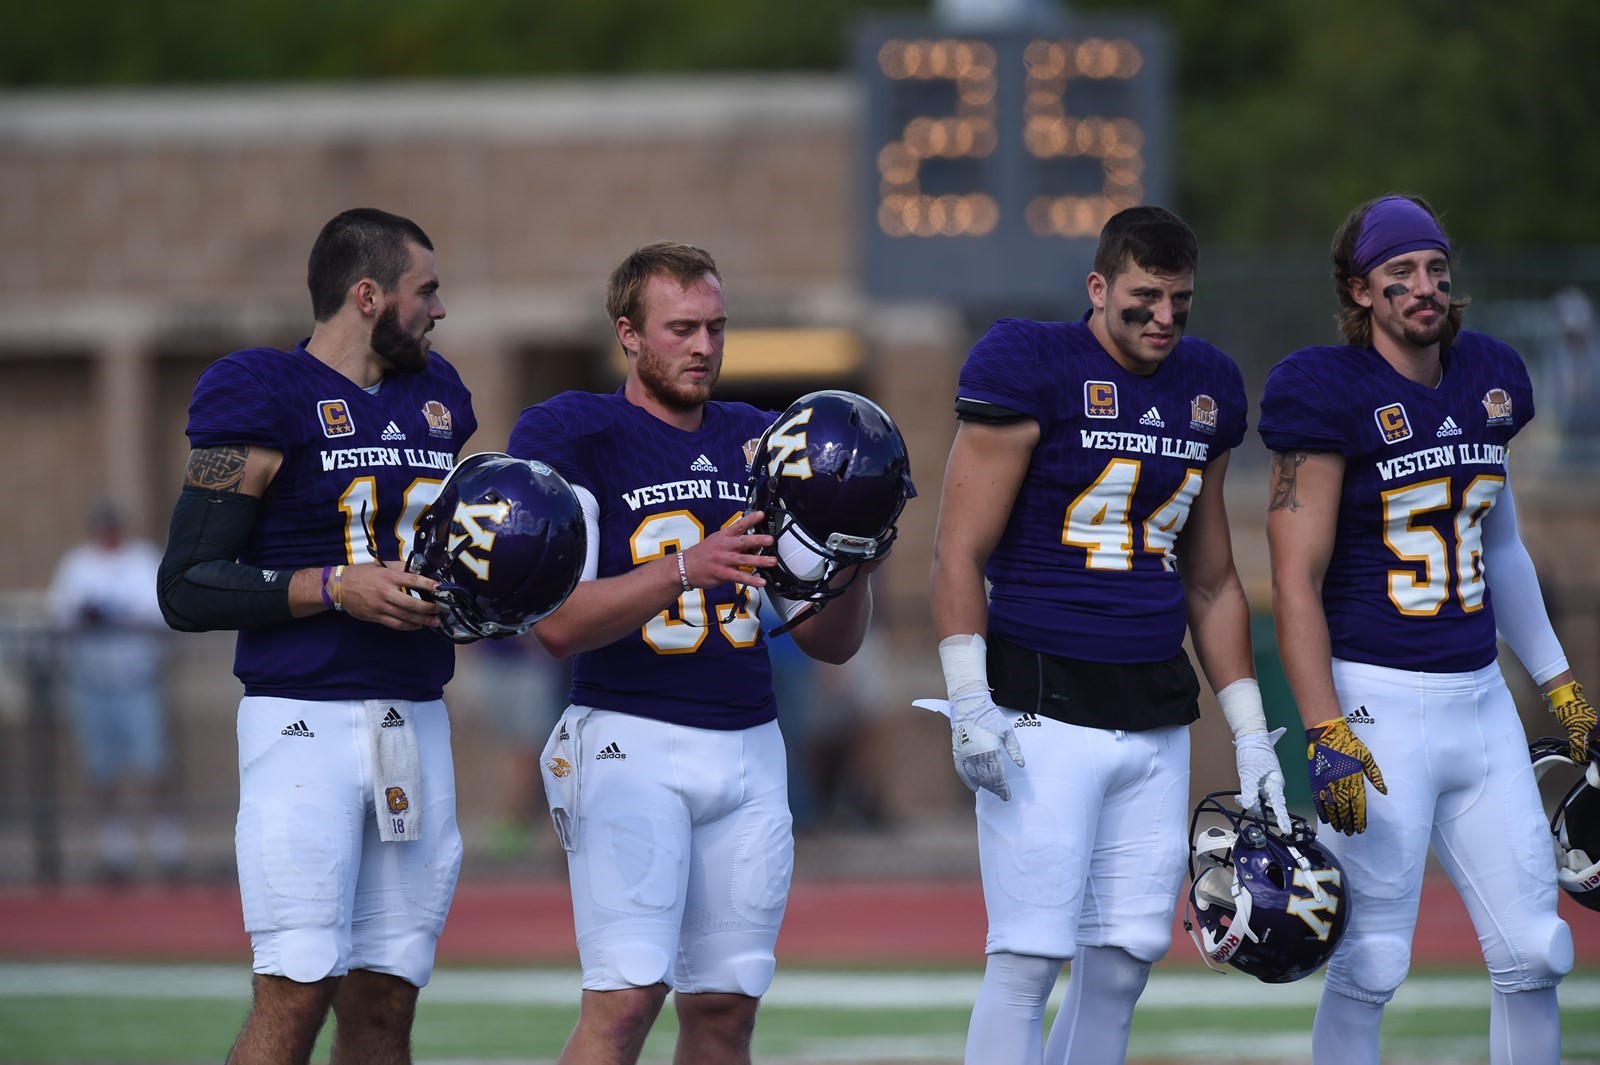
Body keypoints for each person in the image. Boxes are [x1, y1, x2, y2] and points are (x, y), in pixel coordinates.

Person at [508, 241, 895, 1065]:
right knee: (625, 999)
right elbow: (557, 624)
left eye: (716, 327)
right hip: (627, 737)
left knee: (725, 1008)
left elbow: (830, 641)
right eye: (681, 327)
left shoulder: (762, 440)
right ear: (629, 333)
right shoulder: (576, 431)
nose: (704, 346)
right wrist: (688, 566)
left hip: (751, 746)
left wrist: (852, 554)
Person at [927, 204, 1288, 1065]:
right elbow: (957, 549)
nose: (1165, 317)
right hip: (1040, 707)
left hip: (1154, 709)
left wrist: (1249, 735)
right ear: (1097, 287)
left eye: (1181, 300)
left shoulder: (1207, 385)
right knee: (1028, 956)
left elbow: (1211, 579)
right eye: (1144, 297)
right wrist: (968, 696)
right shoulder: (1032, 362)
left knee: (1126, 956)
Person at [1260, 192, 1595, 1065]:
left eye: (1436, 269)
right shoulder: (1325, 388)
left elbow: (1506, 548)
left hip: (1480, 700)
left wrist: (1560, 684)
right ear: (1360, 289)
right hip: (1375, 704)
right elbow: (1292, 576)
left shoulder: (1489, 375)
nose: (1424, 286)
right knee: (1369, 959)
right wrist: (1323, 726)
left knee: (1536, 949)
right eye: (1400, 272)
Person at [156, 207, 477, 1065]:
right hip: (302, 720)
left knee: (387, 999)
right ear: (368, 295)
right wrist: (335, 585)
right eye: (426, 290)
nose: (440, 310)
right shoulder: (260, 389)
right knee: (297, 985)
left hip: (416, 718)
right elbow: (185, 585)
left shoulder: (440, 396)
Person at [48, 498, 185, 883]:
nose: (108, 534)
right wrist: (87, 615)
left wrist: (114, 614)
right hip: (91, 679)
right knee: (101, 768)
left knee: (153, 764)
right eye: (102, 528)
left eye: (113, 527)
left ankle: (167, 847)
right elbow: (60, 610)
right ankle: (116, 851)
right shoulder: (77, 564)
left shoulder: (142, 558)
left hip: (136, 678)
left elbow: (158, 609)